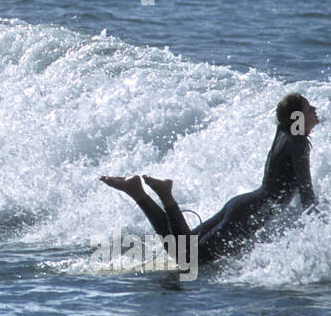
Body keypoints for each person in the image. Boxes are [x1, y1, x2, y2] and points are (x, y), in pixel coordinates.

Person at [100, 93, 319, 264]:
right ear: (298, 118)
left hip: (244, 205)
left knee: (183, 243)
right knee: (187, 259)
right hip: (249, 213)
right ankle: (162, 195)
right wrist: (320, 227)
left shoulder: (284, 134)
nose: (315, 110)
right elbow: (306, 188)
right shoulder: (297, 142)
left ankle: (137, 191)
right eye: (309, 109)